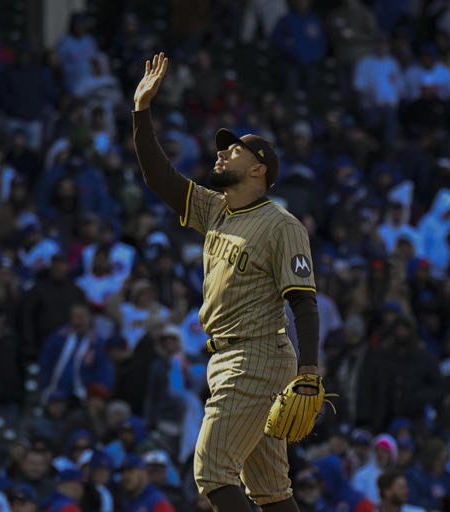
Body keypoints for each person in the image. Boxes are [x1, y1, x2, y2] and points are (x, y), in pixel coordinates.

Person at [132, 53, 323, 512]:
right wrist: (141, 112)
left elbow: (304, 302)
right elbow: (158, 178)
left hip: (257, 355)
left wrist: (311, 371)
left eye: (234, 148)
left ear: (260, 168)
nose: (221, 151)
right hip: (230, 358)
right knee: (271, 490)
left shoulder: (282, 226)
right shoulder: (216, 207)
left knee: (212, 469)